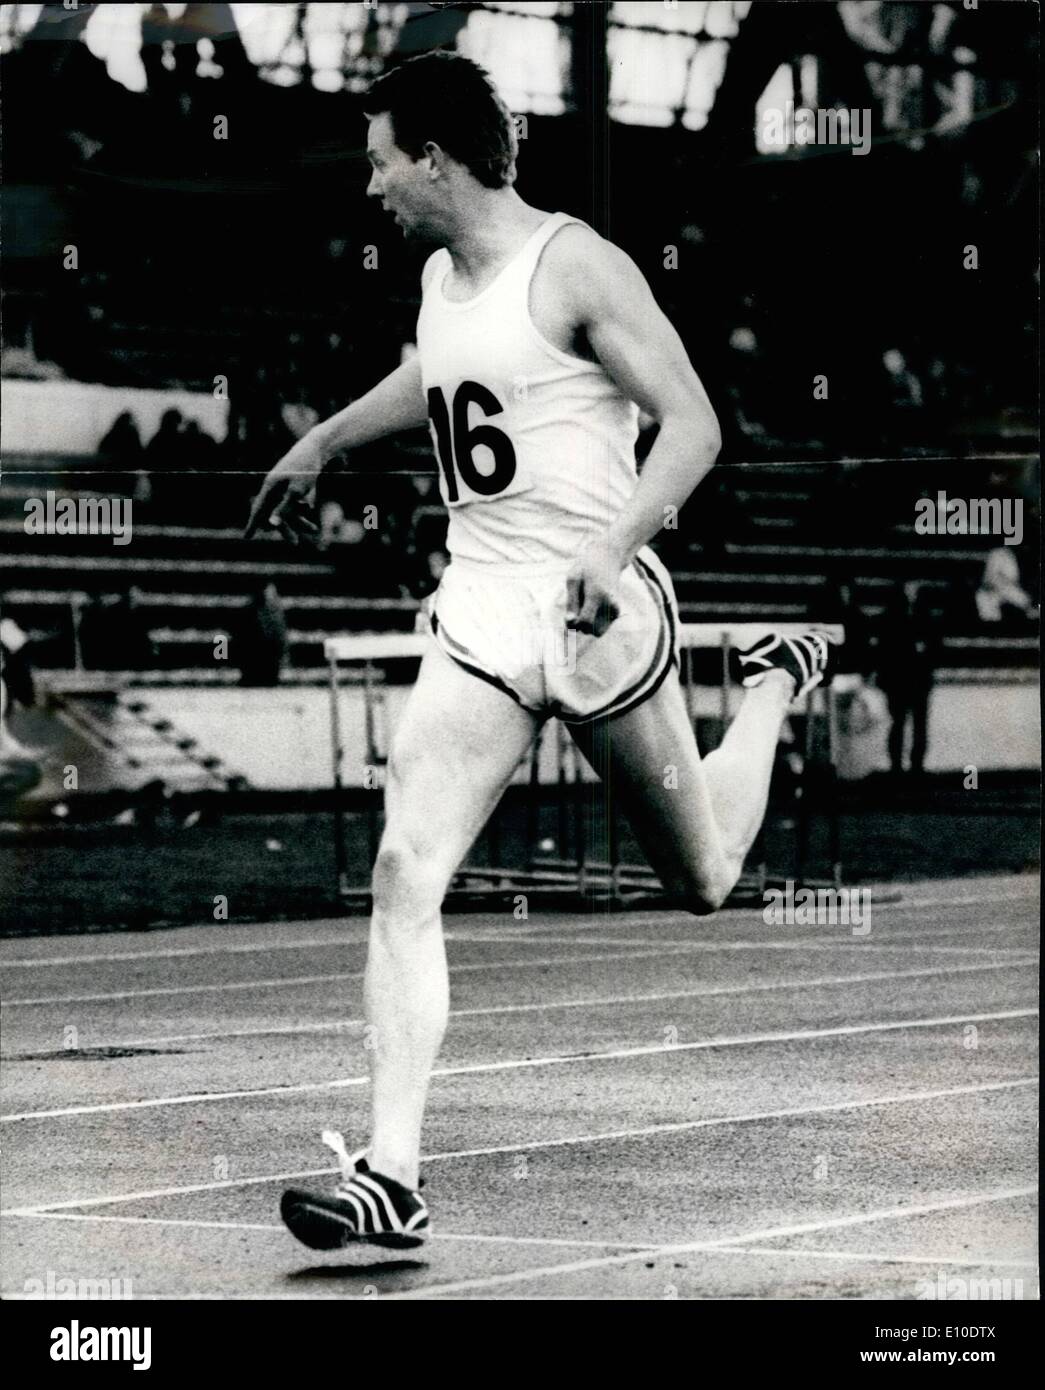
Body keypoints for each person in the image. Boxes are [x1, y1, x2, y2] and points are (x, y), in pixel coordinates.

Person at [245, 51, 830, 1252]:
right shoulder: (436, 279)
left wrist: (614, 547)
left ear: (438, 159)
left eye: (380, 162)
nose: (372, 188)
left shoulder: (579, 266)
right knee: (406, 866)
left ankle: (770, 685)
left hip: (597, 610)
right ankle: (392, 1172)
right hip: (482, 611)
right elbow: (437, 377)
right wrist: (323, 441)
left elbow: (694, 425)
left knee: (705, 880)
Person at [875, 582, 940, 778]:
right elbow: (886, 648)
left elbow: (935, 645)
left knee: (918, 724)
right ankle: (898, 765)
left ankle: (915, 765)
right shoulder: (894, 617)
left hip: (916, 677)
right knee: (900, 722)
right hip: (901, 678)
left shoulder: (923, 616)